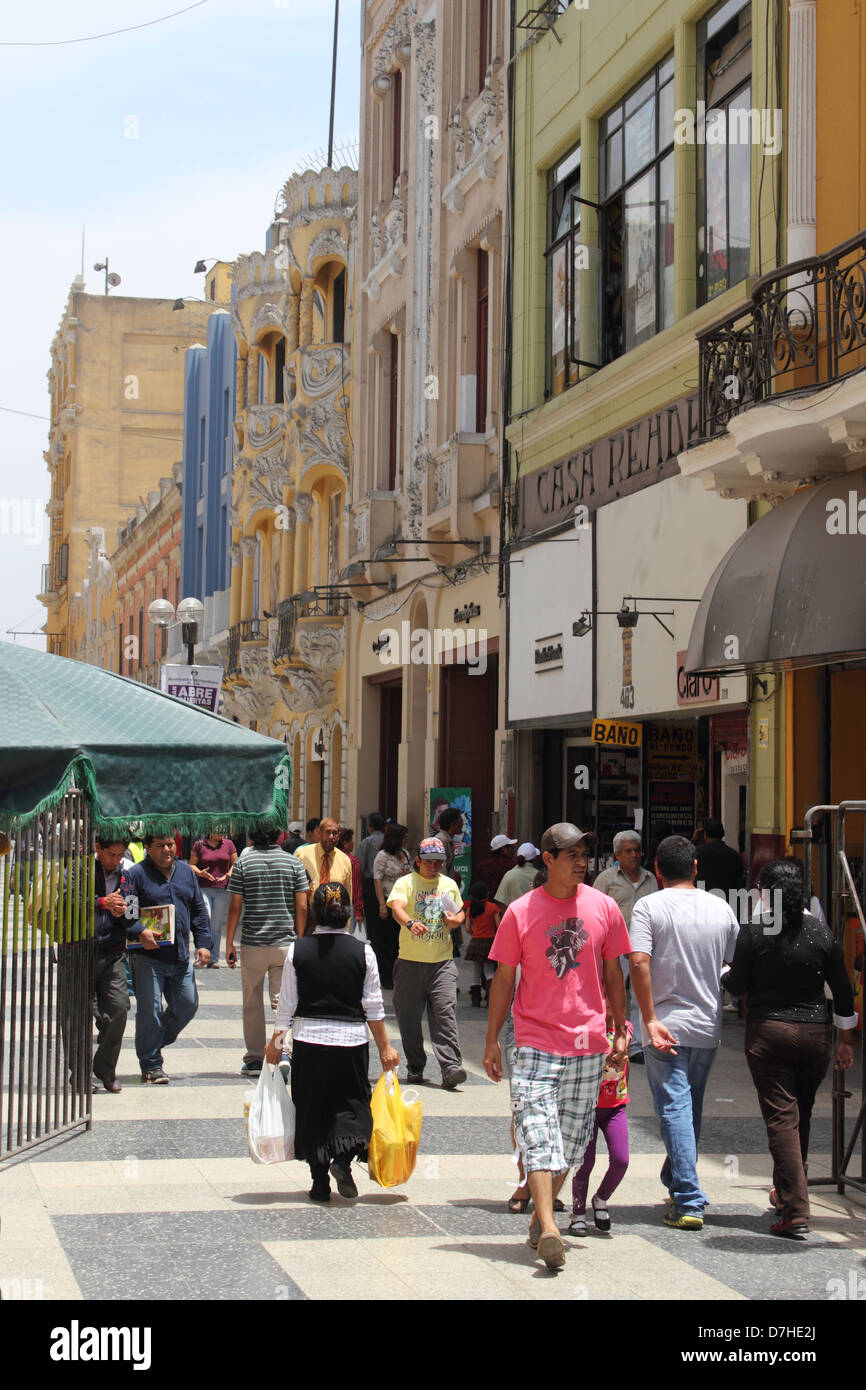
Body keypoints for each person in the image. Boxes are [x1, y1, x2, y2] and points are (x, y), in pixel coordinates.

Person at [484, 822, 630, 1270]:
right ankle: (549, 1227)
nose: (582, 861)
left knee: (571, 1139)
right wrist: (492, 1040)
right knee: (536, 1130)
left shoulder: (604, 907)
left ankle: (542, 1217)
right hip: (533, 1040)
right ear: (547, 859)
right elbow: (504, 979)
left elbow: (613, 974)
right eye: (571, 854)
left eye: (585, 854)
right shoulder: (521, 912)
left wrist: (620, 1031)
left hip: (588, 1041)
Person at [722, 858, 856, 1239]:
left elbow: (736, 986)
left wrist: (723, 973)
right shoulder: (821, 932)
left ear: (765, 891)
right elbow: (843, 991)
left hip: (771, 1032)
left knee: (782, 1118)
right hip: (816, 1034)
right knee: (802, 1112)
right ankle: (786, 1193)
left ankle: (796, 1208)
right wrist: (845, 1037)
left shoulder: (755, 931)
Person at [628, 835, 740, 1230]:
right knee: (688, 1107)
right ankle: (677, 1180)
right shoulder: (721, 909)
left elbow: (639, 963)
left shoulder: (648, 906)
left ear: (656, 869)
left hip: (665, 1026)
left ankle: (689, 1198)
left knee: (674, 1108)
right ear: (695, 868)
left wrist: (648, 1017)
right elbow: (731, 964)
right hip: (706, 1026)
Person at [265, 883, 400, 1203]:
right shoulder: (363, 951)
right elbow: (373, 1007)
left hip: (309, 1042)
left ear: (315, 912)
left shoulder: (298, 950)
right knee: (351, 1104)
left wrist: (275, 1044)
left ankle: (319, 1182)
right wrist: (385, 1047)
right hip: (351, 1043)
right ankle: (342, 1160)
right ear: (347, 914)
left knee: (312, 1109)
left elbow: (287, 1005)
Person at [123, 834, 213, 1084]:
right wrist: (140, 930)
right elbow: (128, 912)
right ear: (147, 848)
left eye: (170, 844)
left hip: (181, 955)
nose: (167, 849)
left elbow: (198, 910)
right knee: (149, 1011)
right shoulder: (135, 874)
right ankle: (151, 1064)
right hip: (148, 957)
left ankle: (152, 1040)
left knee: (187, 1004)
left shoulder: (185, 872)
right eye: (160, 846)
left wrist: (204, 944)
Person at [225, 825, 309, 1076]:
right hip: (284, 943)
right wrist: (300, 938)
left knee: (251, 1001)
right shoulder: (292, 862)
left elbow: (235, 906)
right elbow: (302, 906)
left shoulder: (244, 861)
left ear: (251, 836)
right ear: (279, 836)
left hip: (253, 943)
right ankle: (284, 1051)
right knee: (282, 1002)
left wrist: (229, 942)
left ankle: (254, 1058)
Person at [387, 837, 467, 1088]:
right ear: (418, 861)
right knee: (409, 1019)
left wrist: (455, 921)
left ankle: (451, 1067)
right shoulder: (406, 883)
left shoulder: (448, 885)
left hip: (441, 962)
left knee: (445, 1014)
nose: (434, 867)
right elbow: (397, 908)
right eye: (429, 862)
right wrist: (410, 922)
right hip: (409, 962)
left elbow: (459, 913)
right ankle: (415, 1066)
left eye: (439, 863)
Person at [593, 831, 657, 1062]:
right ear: (618, 855)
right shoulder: (606, 879)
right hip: (615, 949)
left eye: (637, 850)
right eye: (628, 851)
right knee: (615, 997)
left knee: (641, 997)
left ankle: (639, 1046)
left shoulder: (651, 879)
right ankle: (611, 1041)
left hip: (643, 948)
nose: (634, 855)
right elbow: (594, 912)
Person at [569, 1020, 633, 1236]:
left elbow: (626, 1063)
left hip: (616, 1106)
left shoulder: (625, 1029)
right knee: (585, 1162)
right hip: (588, 1105)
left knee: (621, 1160)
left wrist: (626, 1090)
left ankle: (601, 1198)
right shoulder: (585, 1025)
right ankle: (578, 1213)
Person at [189, 829, 237, 968]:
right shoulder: (199, 845)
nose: (221, 832)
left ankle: (213, 958)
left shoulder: (229, 844)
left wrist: (228, 875)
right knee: (206, 919)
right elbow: (192, 865)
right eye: (218, 829)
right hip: (204, 888)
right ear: (210, 831)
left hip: (222, 889)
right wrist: (200, 873)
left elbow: (236, 863)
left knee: (216, 925)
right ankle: (201, 954)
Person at [371, 822, 410, 989]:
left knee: (401, 941)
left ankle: (400, 974)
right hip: (388, 900)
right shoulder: (382, 856)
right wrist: (381, 904)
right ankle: (386, 976)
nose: (406, 839)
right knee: (387, 941)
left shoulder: (406, 854)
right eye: (404, 836)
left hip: (405, 903)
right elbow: (377, 879)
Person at [296, 818, 353, 899]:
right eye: (327, 832)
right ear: (320, 832)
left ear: (339, 836)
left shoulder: (345, 861)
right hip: (308, 909)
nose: (331, 836)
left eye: (334, 833)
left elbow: (347, 895)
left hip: (334, 910)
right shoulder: (302, 855)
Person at [463, 879, 500, 1006]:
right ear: (487, 893)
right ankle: (490, 994)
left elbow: (467, 928)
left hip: (475, 942)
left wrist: (475, 934)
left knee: (476, 972)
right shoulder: (493, 907)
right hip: (490, 942)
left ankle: (475, 999)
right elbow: (498, 925)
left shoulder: (471, 908)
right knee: (489, 971)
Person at [696, 817, 745, 894]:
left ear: (705, 835)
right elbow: (739, 885)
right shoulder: (734, 856)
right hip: (727, 901)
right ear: (723, 833)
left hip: (702, 900)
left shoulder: (696, 853)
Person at [494, 843, 541, 911]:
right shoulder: (539, 876)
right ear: (534, 858)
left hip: (515, 918)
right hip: (535, 918)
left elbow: (501, 902)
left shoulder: (509, 875)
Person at [336, 827, 365, 937]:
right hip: (348, 905)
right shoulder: (353, 861)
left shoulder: (331, 858)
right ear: (344, 842)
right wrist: (358, 911)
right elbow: (356, 888)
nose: (353, 843)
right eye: (351, 840)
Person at [475, 834, 517, 900]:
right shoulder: (512, 865)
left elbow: (474, 891)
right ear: (504, 849)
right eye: (510, 847)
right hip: (505, 906)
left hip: (486, 907)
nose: (512, 850)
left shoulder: (482, 866)